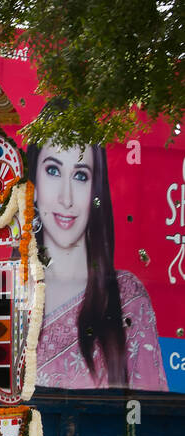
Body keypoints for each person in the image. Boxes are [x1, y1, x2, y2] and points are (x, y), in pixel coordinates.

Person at [25, 110, 169, 390]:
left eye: (80, 176)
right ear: (34, 184)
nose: (66, 198)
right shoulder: (7, 289)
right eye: (53, 170)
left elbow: (151, 419)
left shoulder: (126, 297)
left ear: (95, 191)